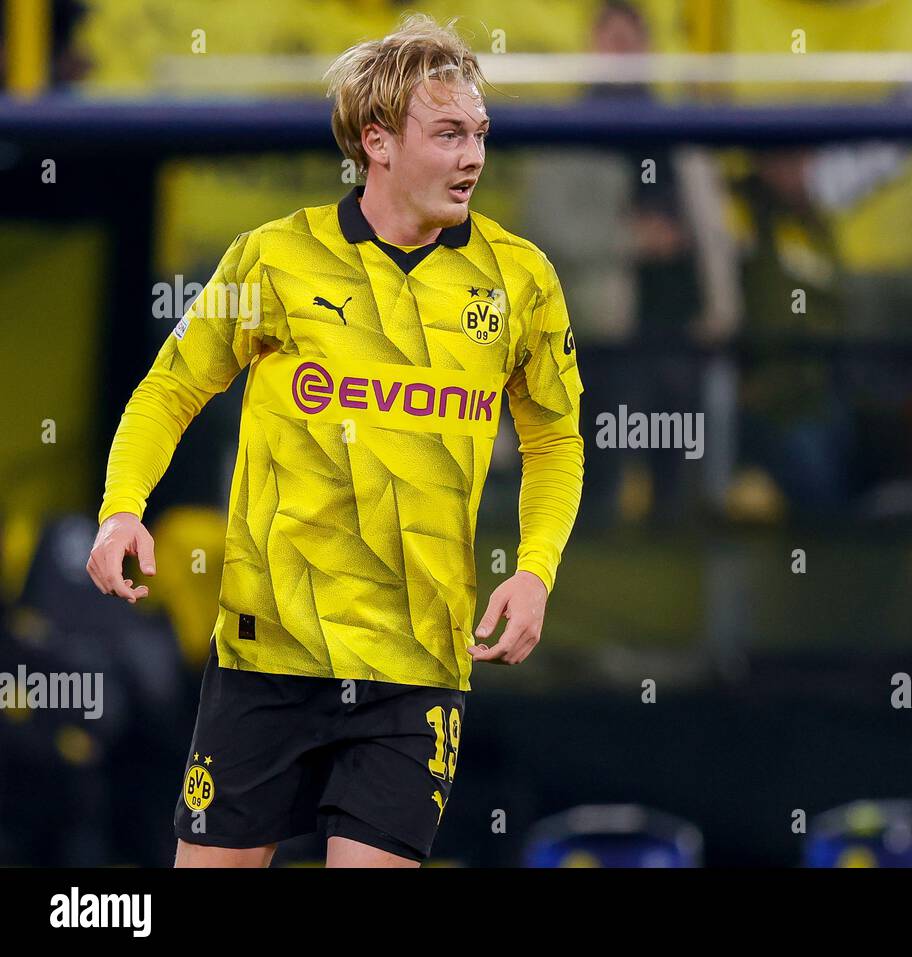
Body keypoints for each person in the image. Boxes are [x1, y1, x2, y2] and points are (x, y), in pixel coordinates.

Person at [84, 13, 584, 868]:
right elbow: (172, 389)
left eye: (481, 134)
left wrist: (536, 568)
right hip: (267, 655)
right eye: (450, 133)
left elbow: (555, 438)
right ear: (377, 141)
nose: (474, 157)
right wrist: (121, 508)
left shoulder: (520, 280)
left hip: (416, 666)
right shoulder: (275, 260)